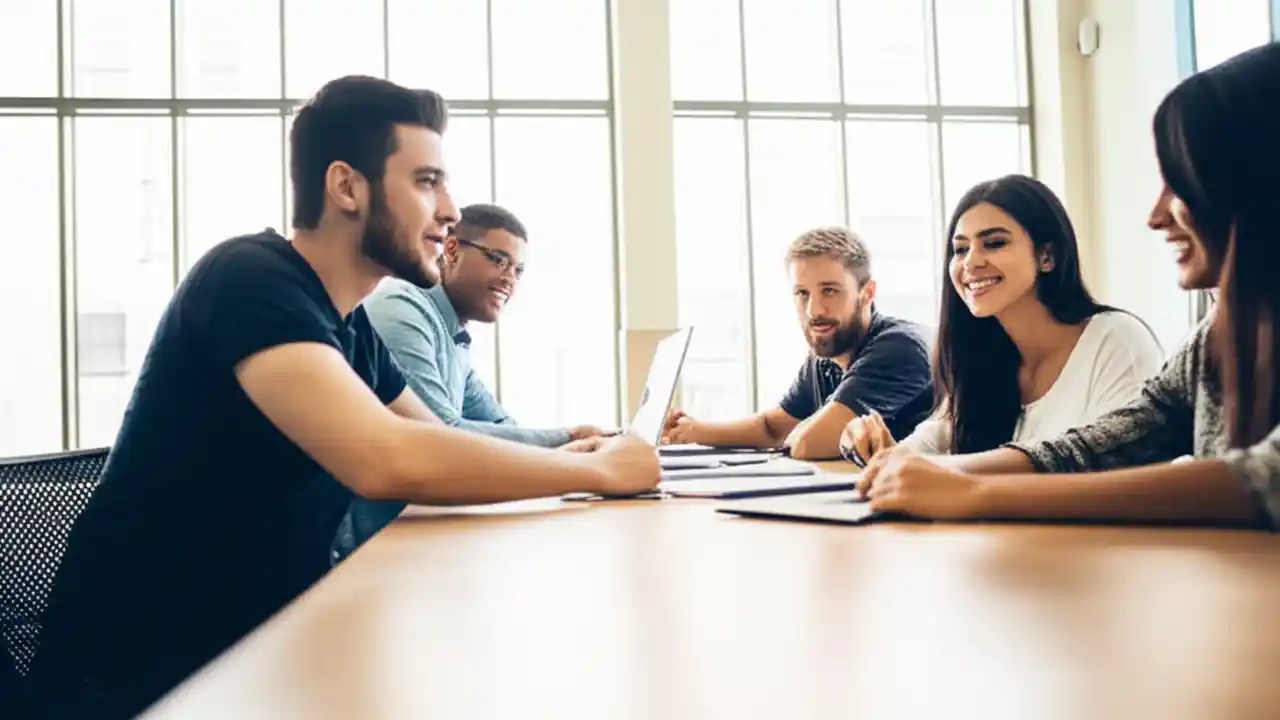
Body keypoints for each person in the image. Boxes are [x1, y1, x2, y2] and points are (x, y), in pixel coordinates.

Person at [26, 76, 658, 719]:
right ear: (347, 186)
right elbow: (385, 460)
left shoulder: (347, 322)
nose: (450, 212)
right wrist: (596, 470)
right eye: (425, 182)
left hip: (258, 659)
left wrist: (580, 462)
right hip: (141, 685)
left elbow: (438, 439)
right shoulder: (249, 278)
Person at [857, 43, 1280, 529]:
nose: (1156, 215)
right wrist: (940, 473)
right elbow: (1106, 443)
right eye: (960, 247)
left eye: (1180, 183)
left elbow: (1261, 478)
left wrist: (976, 491)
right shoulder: (1215, 336)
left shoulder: (1114, 336)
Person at [841, 175, 1163, 462]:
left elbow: (1123, 474)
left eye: (994, 243)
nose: (971, 262)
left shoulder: (1117, 340)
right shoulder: (985, 359)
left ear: (1047, 256)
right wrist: (868, 444)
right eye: (961, 249)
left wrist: (934, 473)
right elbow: (924, 446)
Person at [663, 226, 932, 460]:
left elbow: (807, 443)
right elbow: (773, 428)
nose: (814, 310)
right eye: (802, 293)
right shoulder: (826, 359)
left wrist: (798, 435)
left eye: (829, 291)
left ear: (867, 292)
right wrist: (693, 430)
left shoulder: (899, 348)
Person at [364, 203, 605, 447]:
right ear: (452, 250)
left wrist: (580, 445)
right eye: (499, 260)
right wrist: (568, 437)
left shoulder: (453, 336)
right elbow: (439, 434)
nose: (509, 279)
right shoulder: (401, 308)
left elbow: (501, 426)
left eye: (518, 270)